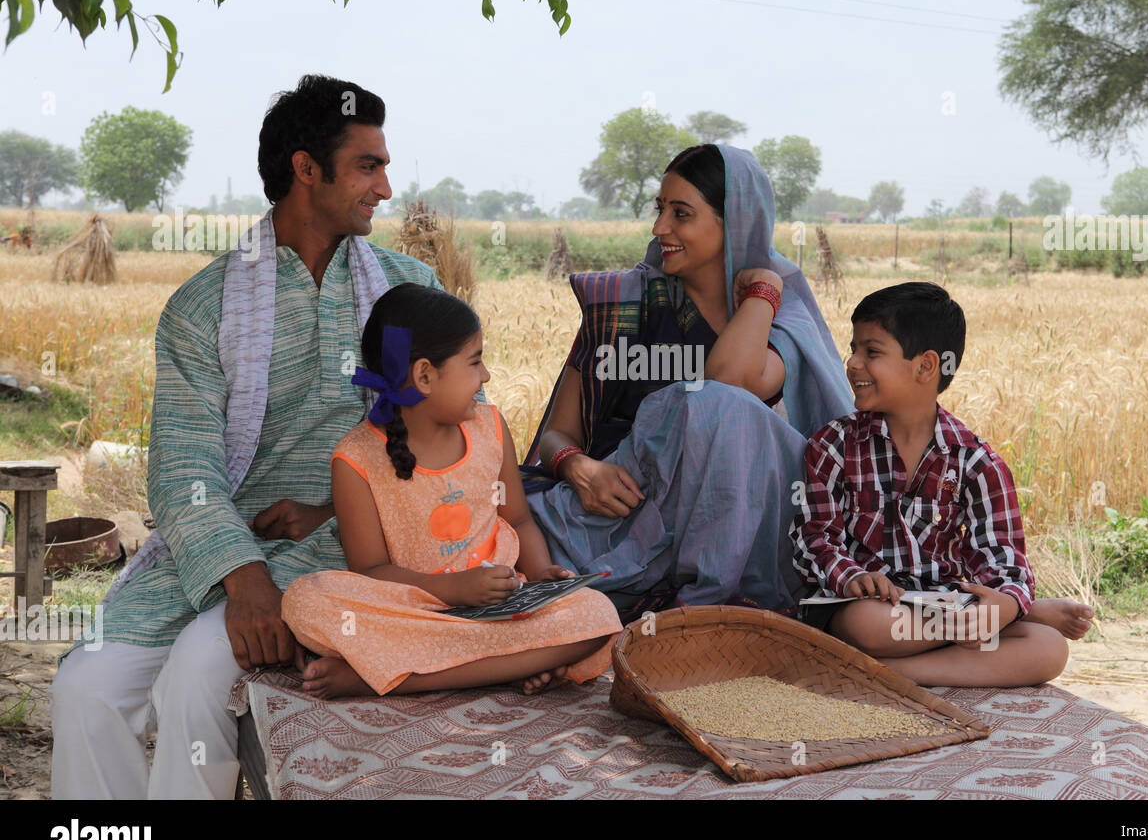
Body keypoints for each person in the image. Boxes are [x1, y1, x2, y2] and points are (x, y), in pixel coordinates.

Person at [49, 75, 444, 799]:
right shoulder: (206, 306)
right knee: (83, 687)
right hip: (213, 549)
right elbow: (184, 466)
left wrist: (330, 512)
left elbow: (452, 440)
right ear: (305, 169)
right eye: (368, 165)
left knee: (201, 669)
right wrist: (243, 573)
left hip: (348, 545)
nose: (386, 187)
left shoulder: (411, 294)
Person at [524, 144, 854, 618]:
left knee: (720, 407)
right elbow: (559, 433)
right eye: (660, 209)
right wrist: (580, 468)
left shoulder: (781, 313)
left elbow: (728, 385)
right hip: (613, 514)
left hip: (741, 535)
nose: (661, 229)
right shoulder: (620, 305)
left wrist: (765, 291)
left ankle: (705, 604)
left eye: (681, 214)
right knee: (494, 528)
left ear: (735, 221)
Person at [281, 284, 622, 698]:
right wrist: (453, 589)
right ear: (425, 375)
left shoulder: (491, 427)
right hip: (415, 613)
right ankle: (511, 662)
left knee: (597, 613)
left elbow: (516, 518)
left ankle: (384, 675)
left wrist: (538, 575)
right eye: (475, 362)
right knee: (305, 601)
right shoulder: (355, 459)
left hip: (500, 610)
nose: (486, 376)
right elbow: (370, 572)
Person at [790, 281, 1094, 688]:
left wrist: (1005, 601)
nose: (852, 363)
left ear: (925, 366)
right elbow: (815, 538)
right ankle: (1019, 615)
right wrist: (850, 576)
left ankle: (891, 674)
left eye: (871, 352)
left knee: (1049, 650)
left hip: (941, 611)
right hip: (873, 612)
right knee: (867, 625)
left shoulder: (976, 461)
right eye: (854, 348)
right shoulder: (832, 447)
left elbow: (1003, 554)